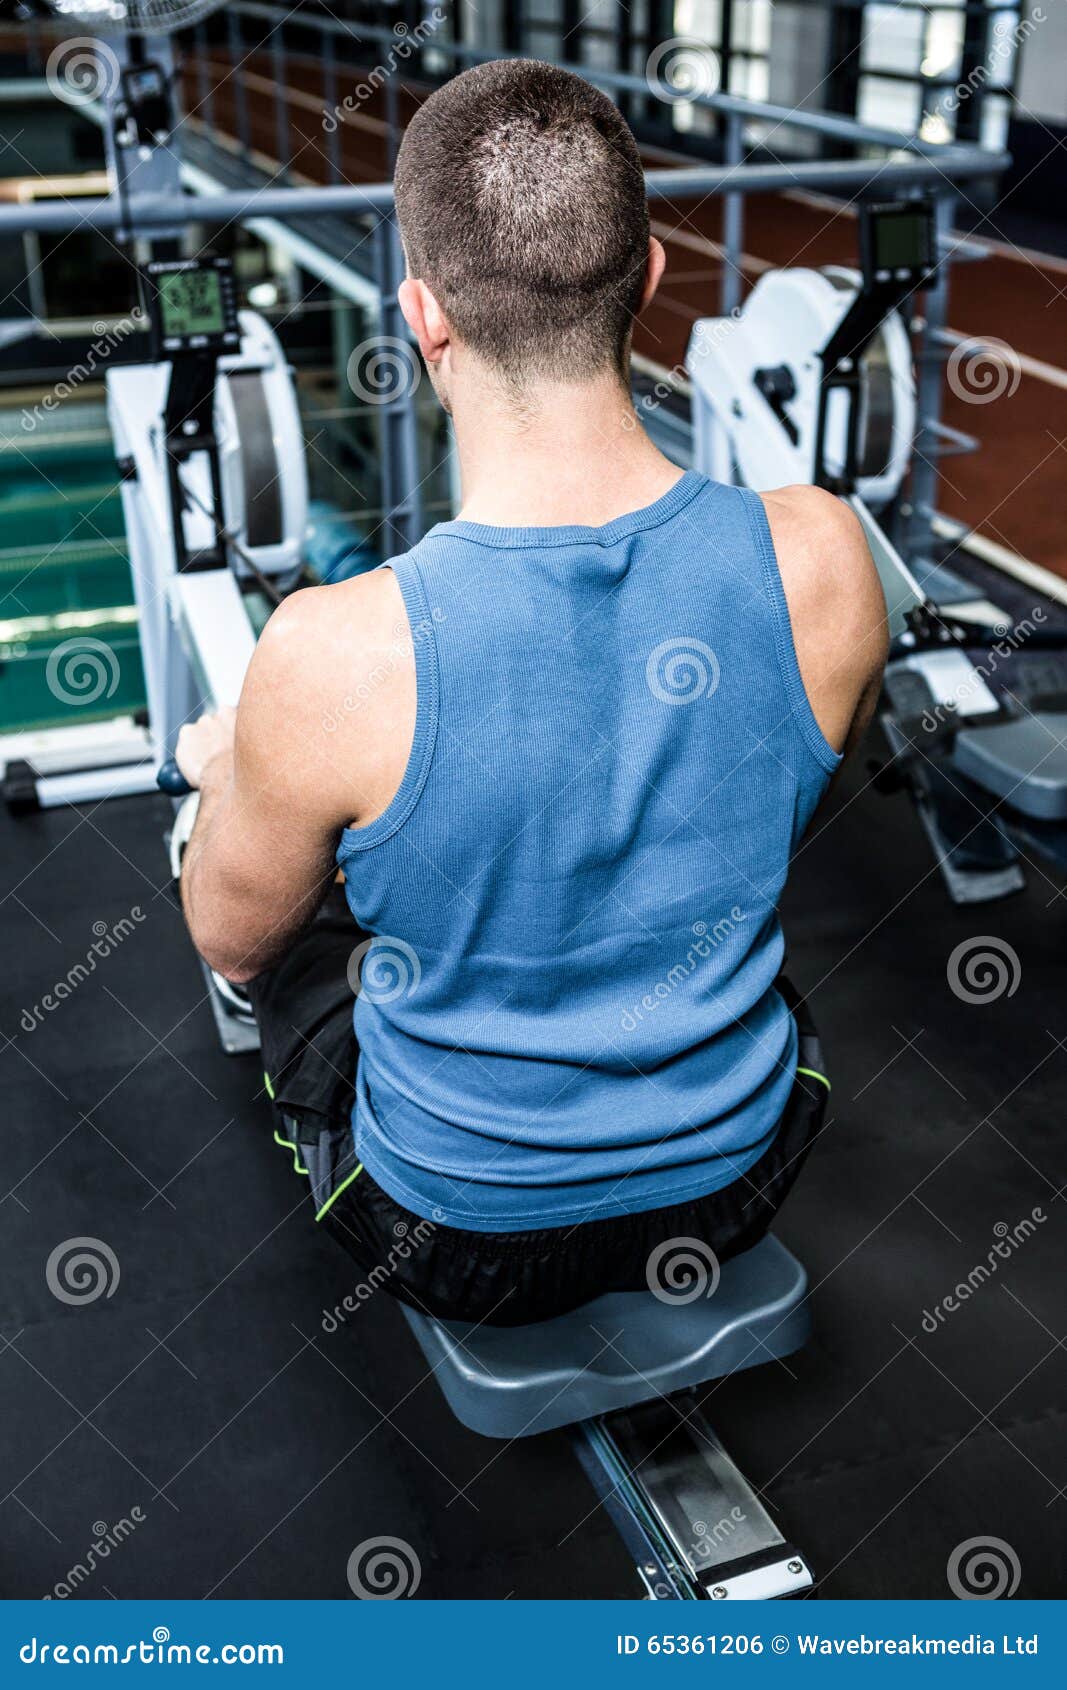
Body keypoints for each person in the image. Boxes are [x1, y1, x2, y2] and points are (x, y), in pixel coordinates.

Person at [174, 58, 887, 1327]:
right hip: (742, 1178)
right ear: (653, 278)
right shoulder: (824, 559)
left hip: (453, 1236)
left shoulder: (332, 653)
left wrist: (235, 766)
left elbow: (229, 946)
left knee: (279, 915)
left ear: (421, 314)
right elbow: (765, 798)